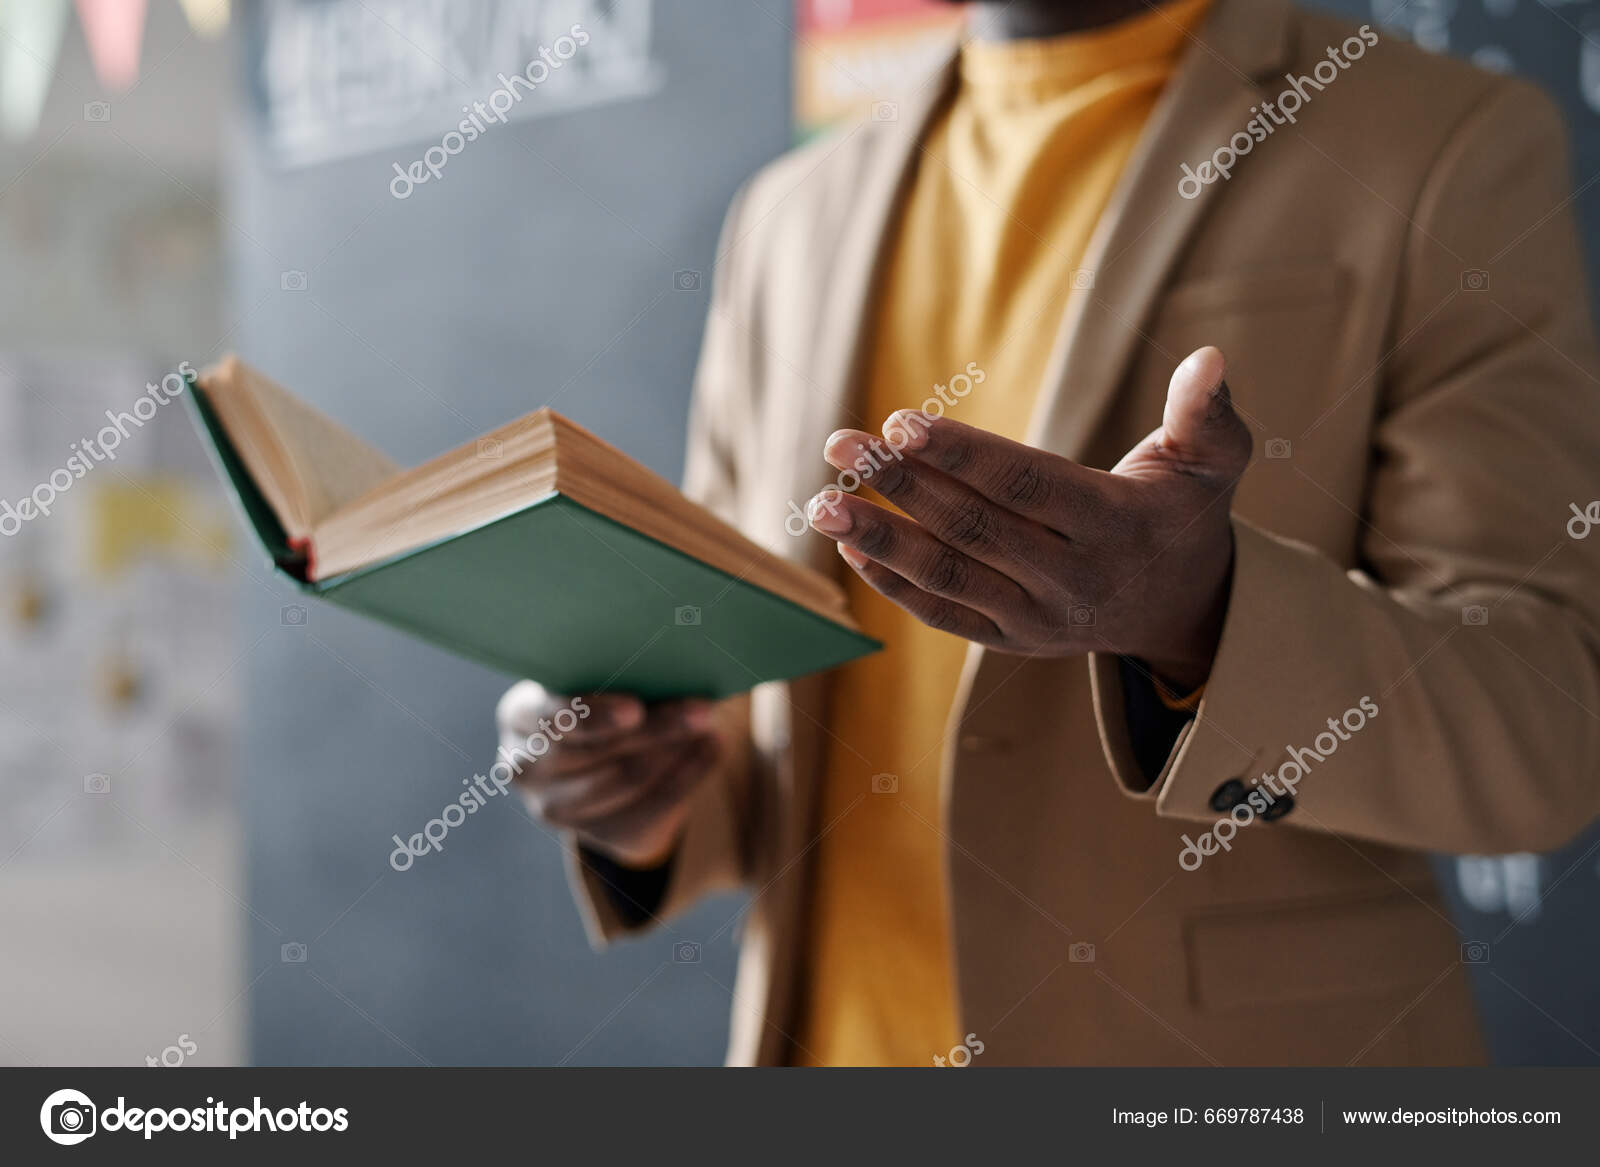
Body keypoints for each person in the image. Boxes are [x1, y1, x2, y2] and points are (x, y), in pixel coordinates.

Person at [498, 0, 1600, 1065]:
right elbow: (746, 704)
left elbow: (1544, 726)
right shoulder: (787, 215)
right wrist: (634, 777)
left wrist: (1203, 620)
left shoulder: (1436, 139)